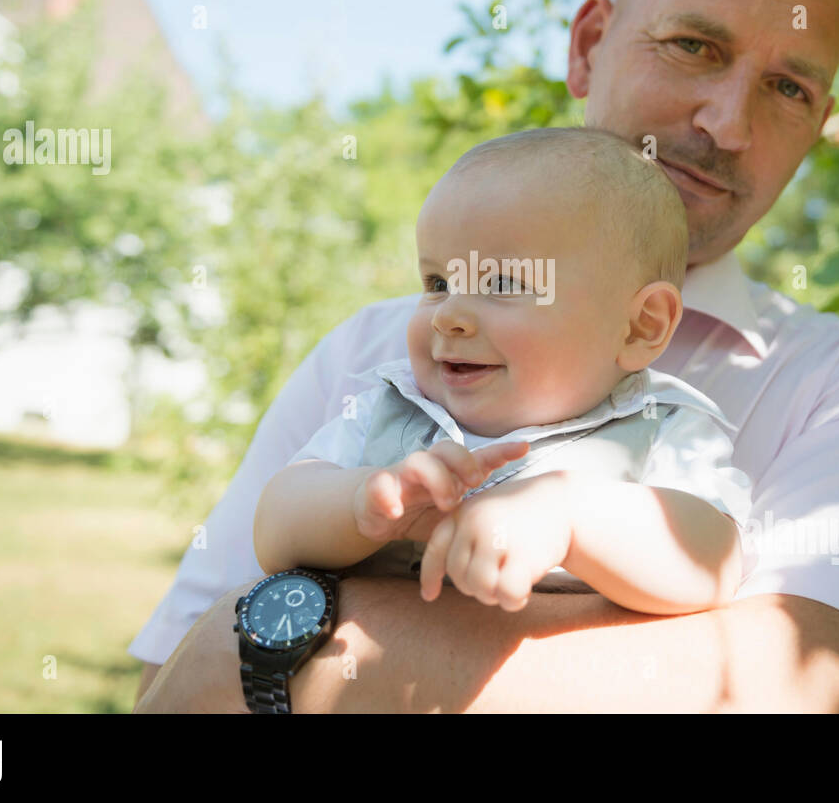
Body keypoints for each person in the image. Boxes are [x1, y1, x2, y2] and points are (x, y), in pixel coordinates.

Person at [132, 0, 839, 713]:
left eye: (790, 88)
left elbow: (828, 695)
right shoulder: (378, 357)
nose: (728, 123)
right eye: (695, 45)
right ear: (589, 44)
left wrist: (280, 650)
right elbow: (171, 686)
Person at [253, 128, 753, 615]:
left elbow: (713, 561)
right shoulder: (391, 411)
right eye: (438, 280)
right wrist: (362, 503)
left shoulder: (662, 430)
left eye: (504, 282)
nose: (448, 313)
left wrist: (570, 517)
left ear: (639, 327)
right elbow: (275, 530)